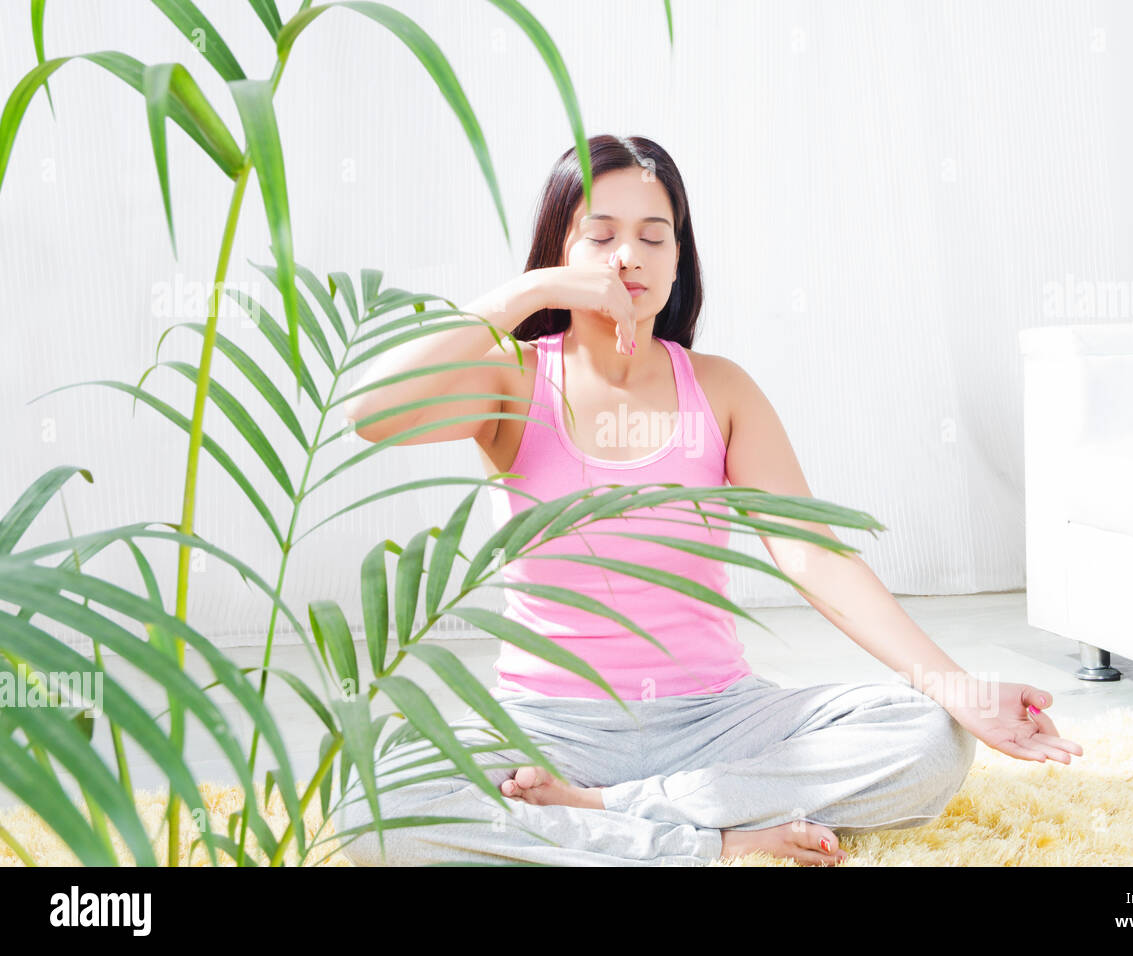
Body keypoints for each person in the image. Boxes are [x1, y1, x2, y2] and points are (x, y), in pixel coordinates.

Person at [337, 134, 1082, 867]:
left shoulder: (720, 387)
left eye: (652, 237)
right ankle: (710, 840)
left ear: (678, 259)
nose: (626, 256)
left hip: (716, 719)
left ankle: (613, 816)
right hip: (548, 726)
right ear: (560, 251)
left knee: (928, 736)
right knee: (375, 810)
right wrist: (530, 292)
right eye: (598, 237)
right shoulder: (512, 379)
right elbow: (369, 410)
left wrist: (961, 690)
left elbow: (813, 554)